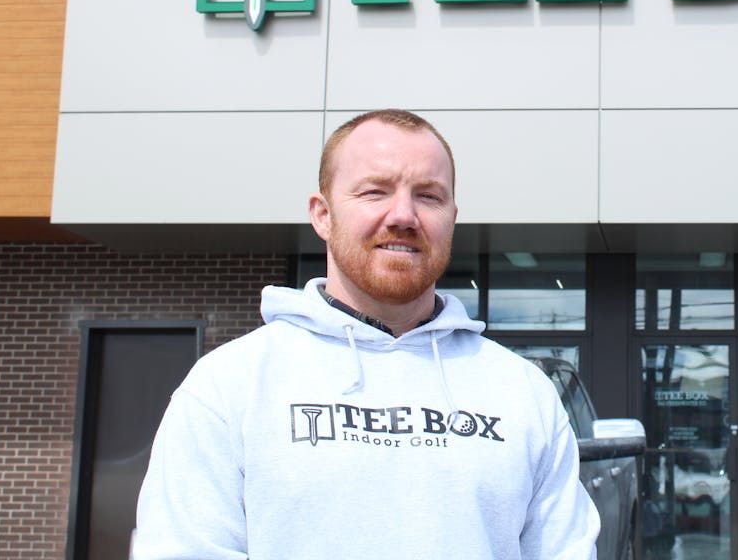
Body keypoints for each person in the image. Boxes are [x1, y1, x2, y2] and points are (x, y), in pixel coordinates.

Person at [133, 109, 600, 559]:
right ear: (322, 214)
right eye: (375, 192)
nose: (404, 215)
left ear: (452, 217)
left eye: (429, 196)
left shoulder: (523, 393)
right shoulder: (229, 386)